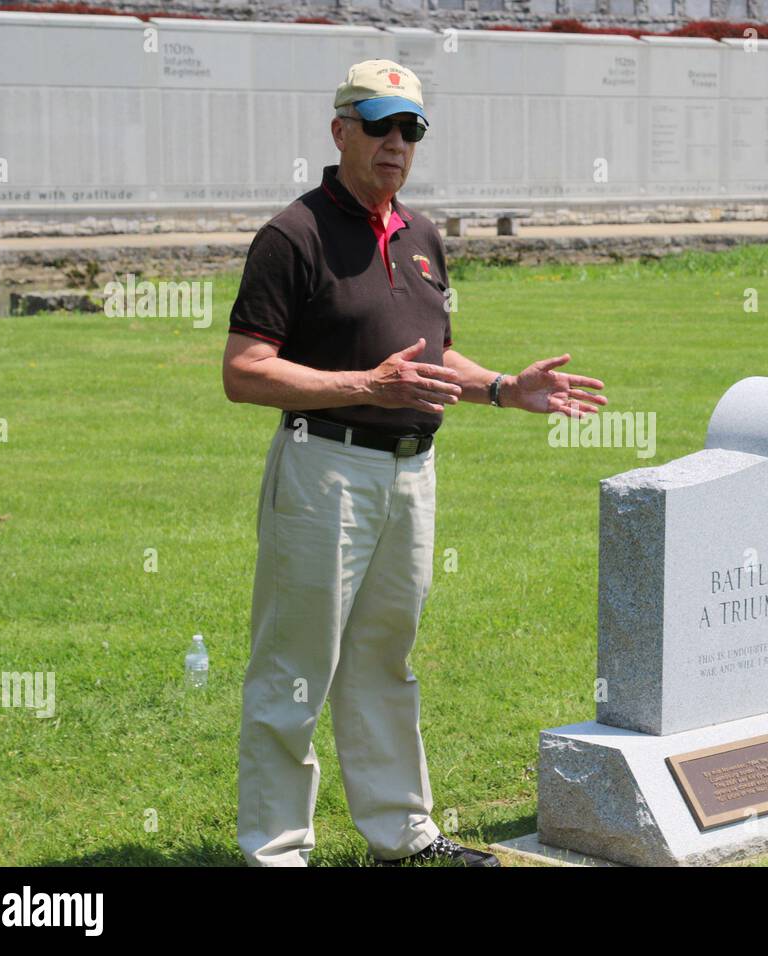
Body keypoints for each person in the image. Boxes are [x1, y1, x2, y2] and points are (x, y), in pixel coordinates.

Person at [222, 59, 606, 867]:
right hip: (324, 468)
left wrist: (503, 388)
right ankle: (277, 851)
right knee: (295, 668)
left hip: (411, 472)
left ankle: (404, 835)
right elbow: (245, 370)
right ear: (340, 131)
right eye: (379, 124)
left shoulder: (425, 236)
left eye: (411, 129)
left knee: (385, 662)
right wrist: (367, 383)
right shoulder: (291, 235)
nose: (396, 143)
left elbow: (437, 360)